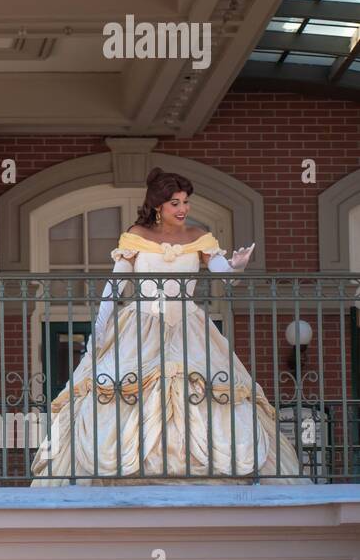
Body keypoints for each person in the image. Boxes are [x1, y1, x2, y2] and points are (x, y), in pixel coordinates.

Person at [30, 167, 303, 485]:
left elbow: (224, 276)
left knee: (205, 390)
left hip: (189, 327)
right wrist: (98, 332)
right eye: (175, 202)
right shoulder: (136, 235)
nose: (183, 208)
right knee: (122, 390)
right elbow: (115, 287)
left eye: (185, 201)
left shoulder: (199, 236)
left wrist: (236, 267)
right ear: (158, 205)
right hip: (141, 328)